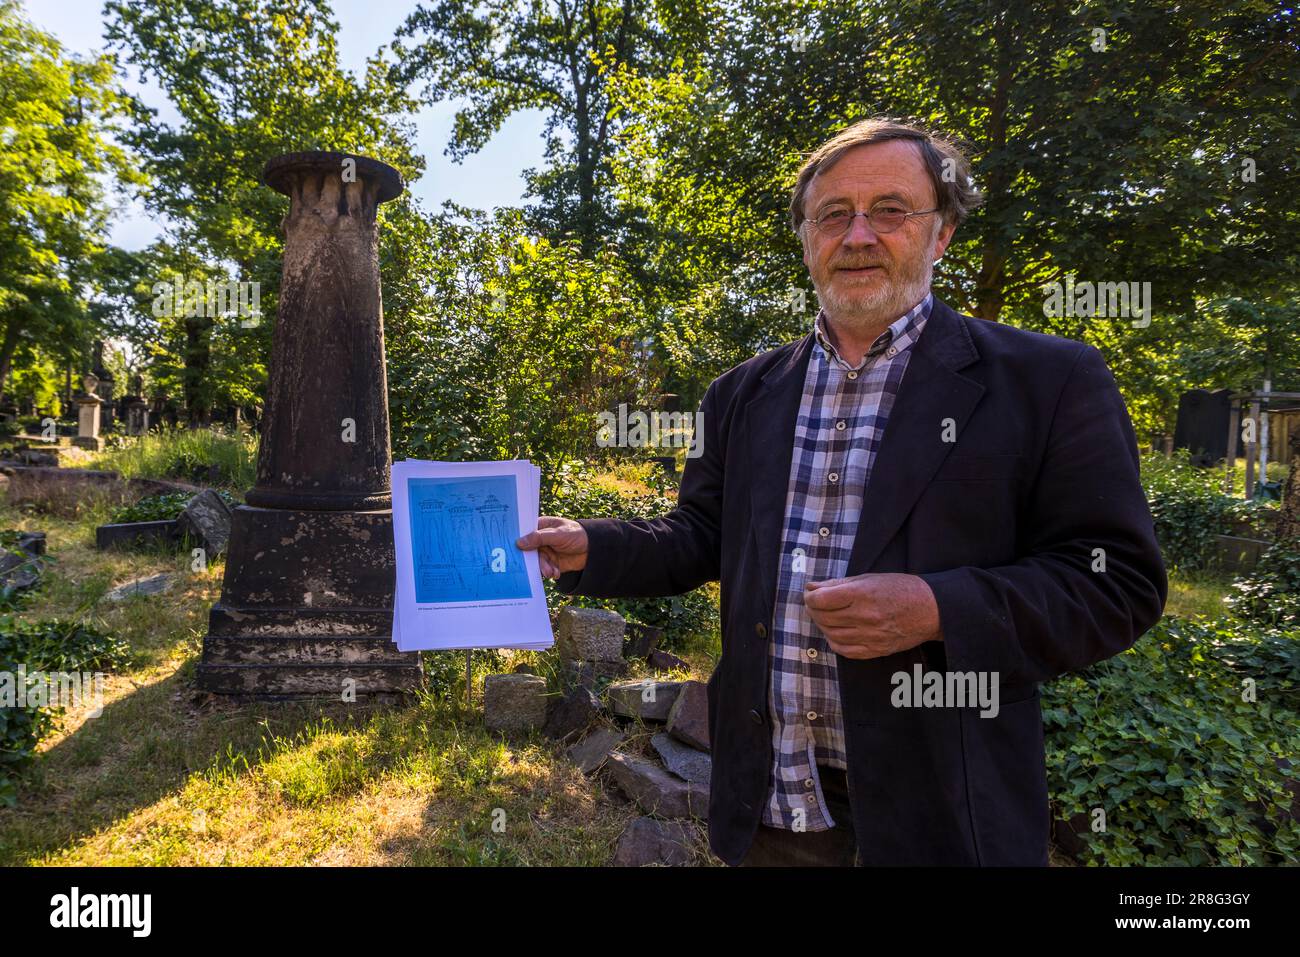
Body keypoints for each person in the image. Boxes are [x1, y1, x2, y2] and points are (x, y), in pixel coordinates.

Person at [517, 117, 1167, 866]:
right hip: (774, 803)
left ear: (941, 233)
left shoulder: (1048, 381)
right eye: (833, 215)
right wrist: (591, 545)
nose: (858, 235)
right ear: (806, 240)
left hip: (946, 812)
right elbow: (700, 533)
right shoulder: (743, 393)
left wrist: (936, 608)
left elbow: (1118, 580)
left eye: (889, 210)